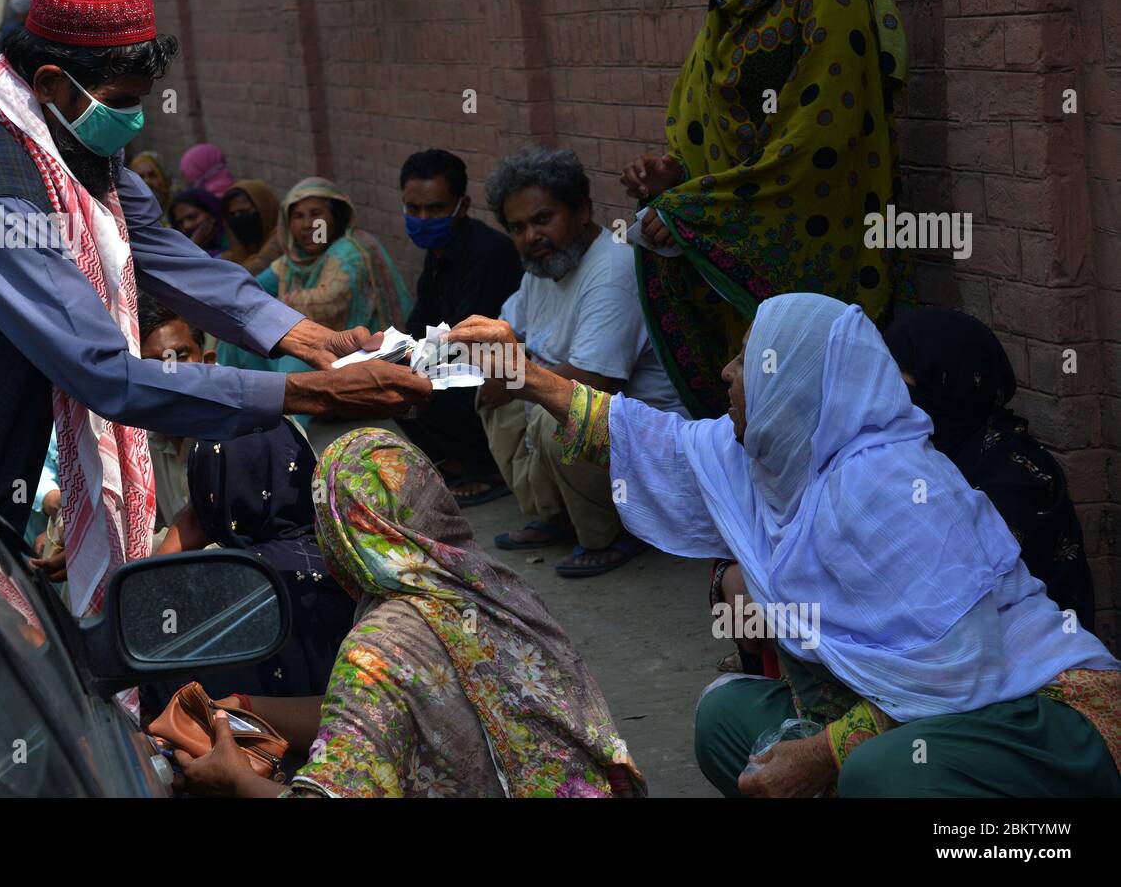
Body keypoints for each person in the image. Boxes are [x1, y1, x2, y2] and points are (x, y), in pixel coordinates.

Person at [0, 0, 430, 620]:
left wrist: (313, 342)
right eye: (123, 102)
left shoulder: (54, 124)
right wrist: (310, 394)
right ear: (52, 80)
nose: (135, 120)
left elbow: (157, 247)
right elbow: (104, 374)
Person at [449, 293, 1121, 797]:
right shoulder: (783, 459)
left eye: (746, 357)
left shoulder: (898, 488)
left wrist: (826, 752)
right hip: (921, 709)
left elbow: (959, 674)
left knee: (882, 774)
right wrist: (531, 377)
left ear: (792, 379)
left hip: (1035, 715)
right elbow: (659, 441)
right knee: (726, 720)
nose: (726, 370)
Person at [175, 427, 647, 798]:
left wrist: (236, 780)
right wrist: (249, 710)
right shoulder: (498, 588)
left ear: (339, 529)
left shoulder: (379, 645)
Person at [619, 0, 912, 420]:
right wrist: (675, 177)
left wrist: (698, 210)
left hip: (816, 243)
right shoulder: (731, 6)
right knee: (753, 420)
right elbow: (716, 133)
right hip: (737, 258)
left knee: (817, 418)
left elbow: (821, 143)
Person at [479, 147, 685, 578]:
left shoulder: (612, 268)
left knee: (558, 416)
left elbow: (593, 382)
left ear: (583, 210)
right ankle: (554, 517)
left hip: (648, 436)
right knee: (493, 388)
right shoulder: (543, 267)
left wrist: (514, 373)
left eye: (542, 219)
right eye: (517, 227)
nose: (530, 236)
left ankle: (610, 533)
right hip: (584, 404)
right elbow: (504, 328)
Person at [884, 306, 1097, 630]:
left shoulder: (1014, 475)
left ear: (944, 380)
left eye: (899, 377)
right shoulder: (925, 450)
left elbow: (972, 595)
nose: (890, 394)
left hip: (1028, 653)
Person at [139, 417, 357, 725]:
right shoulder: (353, 568)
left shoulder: (202, 589)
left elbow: (144, 676)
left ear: (207, 488)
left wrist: (182, 533)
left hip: (226, 764)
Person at [395, 148, 522, 507]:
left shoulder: (486, 253)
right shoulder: (437, 255)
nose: (422, 218)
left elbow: (467, 337)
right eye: (413, 208)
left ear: (462, 206)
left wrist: (415, 361)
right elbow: (420, 323)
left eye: (435, 209)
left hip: (491, 369)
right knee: (384, 379)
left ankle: (483, 468)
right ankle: (452, 463)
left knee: (416, 387)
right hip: (452, 358)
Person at [216, 177, 412, 384]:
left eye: (316, 215)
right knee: (238, 338)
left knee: (296, 357)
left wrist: (271, 307)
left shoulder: (349, 249)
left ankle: (293, 411)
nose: (309, 225)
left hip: (360, 350)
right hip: (316, 346)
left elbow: (327, 301)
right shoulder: (293, 261)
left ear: (335, 217)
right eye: (298, 216)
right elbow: (251, 289)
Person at [135, 294, 213, 545]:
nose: (169, 374)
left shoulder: (251, 429)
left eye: (179, 356)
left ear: (208, 362)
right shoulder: (141, 438)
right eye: (151, 365)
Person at [220, 179, 284, 276]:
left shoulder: (283, 237)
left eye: (244, 212)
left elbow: (259, 265)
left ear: (264, 209)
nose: (239, 219)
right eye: (233, 215)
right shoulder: (236, 252)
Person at [168, 186, 227, 256]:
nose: (186, 226)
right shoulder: (174, 253)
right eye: (179, 223)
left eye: (191, 217)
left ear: (213, 214)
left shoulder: (233, 243)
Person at [128, 149, 173, 222]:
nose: (146, 181)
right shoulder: (130, 214)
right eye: (140, 177)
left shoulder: (177, 210)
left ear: (164, 177)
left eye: (152, 175)